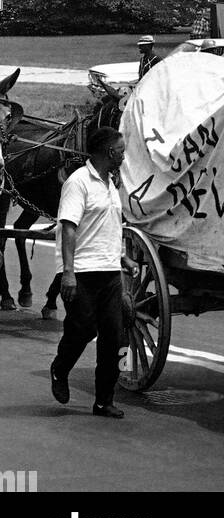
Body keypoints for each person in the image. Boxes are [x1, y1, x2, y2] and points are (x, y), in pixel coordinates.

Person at [50, 127, 136, 419]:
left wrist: (123, 257)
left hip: (110, 272)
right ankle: (60, 369)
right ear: (109, 153)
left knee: (112, 337)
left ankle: (103, 402)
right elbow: (69, 227)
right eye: (121, 151)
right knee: (84, 328)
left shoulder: (111, 184)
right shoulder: (78, 183)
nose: (124, 156)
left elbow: (112, 226)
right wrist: (69, 273)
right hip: (83, 272)